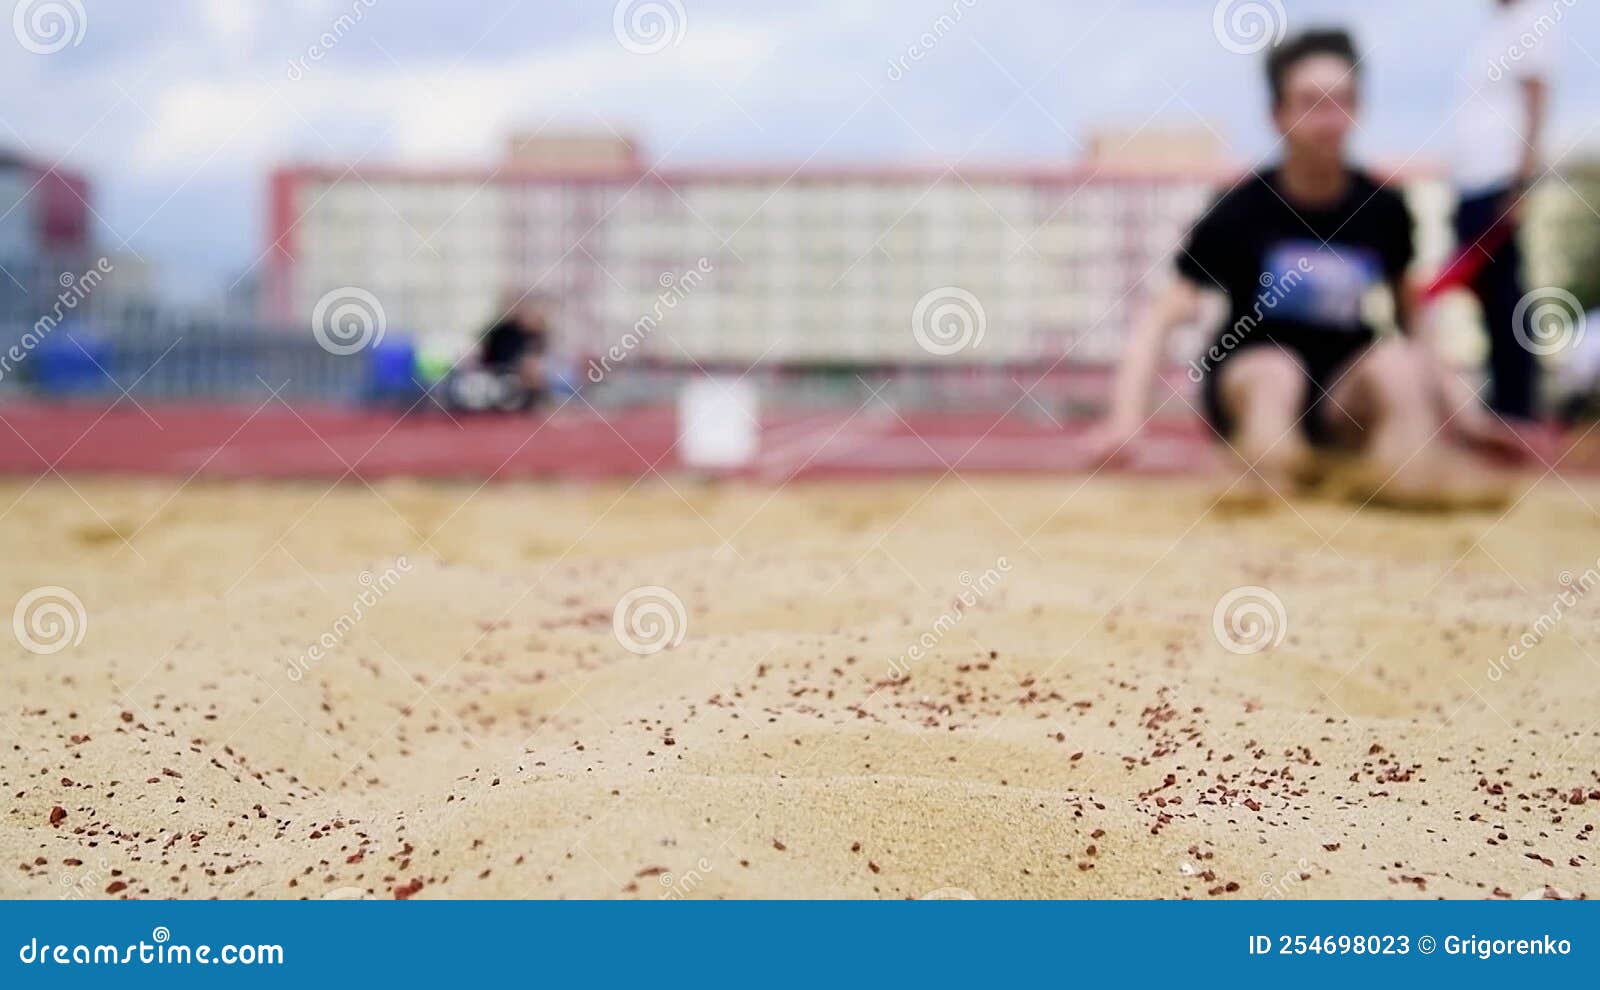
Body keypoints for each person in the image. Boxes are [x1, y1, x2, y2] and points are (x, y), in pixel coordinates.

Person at [1084, 28, 1511, 509]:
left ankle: (1405, 478)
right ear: (1278, 115)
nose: (1330, 120)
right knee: (1276, 371)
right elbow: (1162, 316)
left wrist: (1465, 415)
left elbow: (1414, 320)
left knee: (1399, 365)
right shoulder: (1238, 210)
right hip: (1253, 378)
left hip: (1346, 392)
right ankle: (1269, 472)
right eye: (1312, 103)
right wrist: (1126, 421)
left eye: (1343, 101)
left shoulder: (1383, 208)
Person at [1453, 0, 1556, 421]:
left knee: (1506, 293)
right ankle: (1505, 398)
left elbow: (1536, 100)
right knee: (1488, 294)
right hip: (1474, 181)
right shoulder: (1498, 27)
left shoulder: (1531, 21)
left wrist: (1520, 184)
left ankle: (1517, 406)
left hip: (1499, 182)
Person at [471, 293, 551, 411]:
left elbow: (534, 359)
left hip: (515, 373)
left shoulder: (529, 335)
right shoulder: (499, 331)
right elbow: (488, 357)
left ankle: (533, 403)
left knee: (533, 372)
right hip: (499, 372)